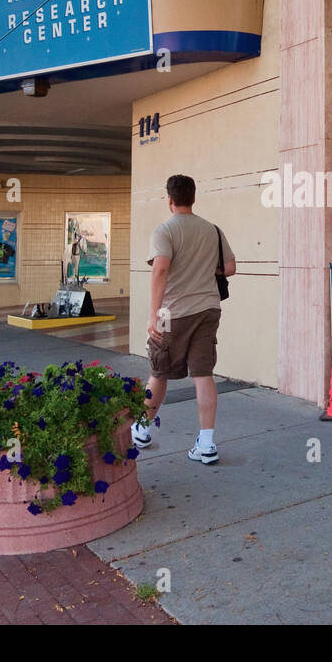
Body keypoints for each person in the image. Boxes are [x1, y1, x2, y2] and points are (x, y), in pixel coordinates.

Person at [134, 174, 235, 465]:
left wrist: (153, 315)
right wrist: (201, 268)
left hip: (171, 313)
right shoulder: (212, 230)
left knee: (159, 370)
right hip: (207, 309)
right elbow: (229, 268)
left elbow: (161, 271)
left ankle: (142, 428)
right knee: (203, 374)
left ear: (169, 199)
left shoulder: (164, 231)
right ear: (193, 197)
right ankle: (206, 444)